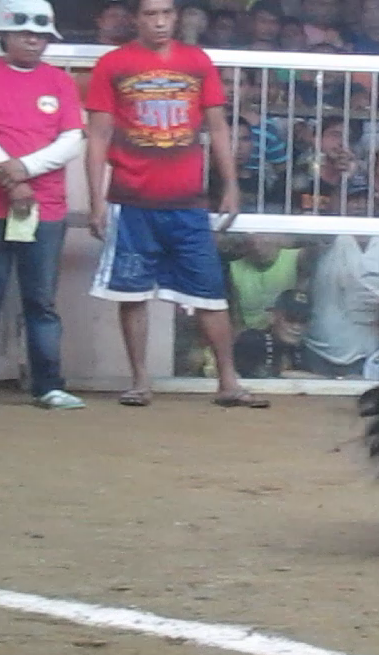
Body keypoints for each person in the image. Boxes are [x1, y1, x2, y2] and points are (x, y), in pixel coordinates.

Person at [84, 0, 268, 408]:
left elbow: (218, 128)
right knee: (131, 292)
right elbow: (97, 137)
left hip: (188, 200)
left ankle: (228, 382)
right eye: (151, 14)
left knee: (209, 293)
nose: (160, 21)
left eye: (166, 13)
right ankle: (140, 381)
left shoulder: (197, 60)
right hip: (130, 199)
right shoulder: (113, 64)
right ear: (137, 18)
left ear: (177, 16)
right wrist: (97, 200)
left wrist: (230, 185)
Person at [0, 0, 87, 409]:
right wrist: (7, 175)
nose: (32, 40)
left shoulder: (60, 81)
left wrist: (19, 170)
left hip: (44, 207)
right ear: (4, 35)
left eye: (40, 34)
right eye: (24, 32)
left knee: (40, 301)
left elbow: (71, 141)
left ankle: (48, 385)